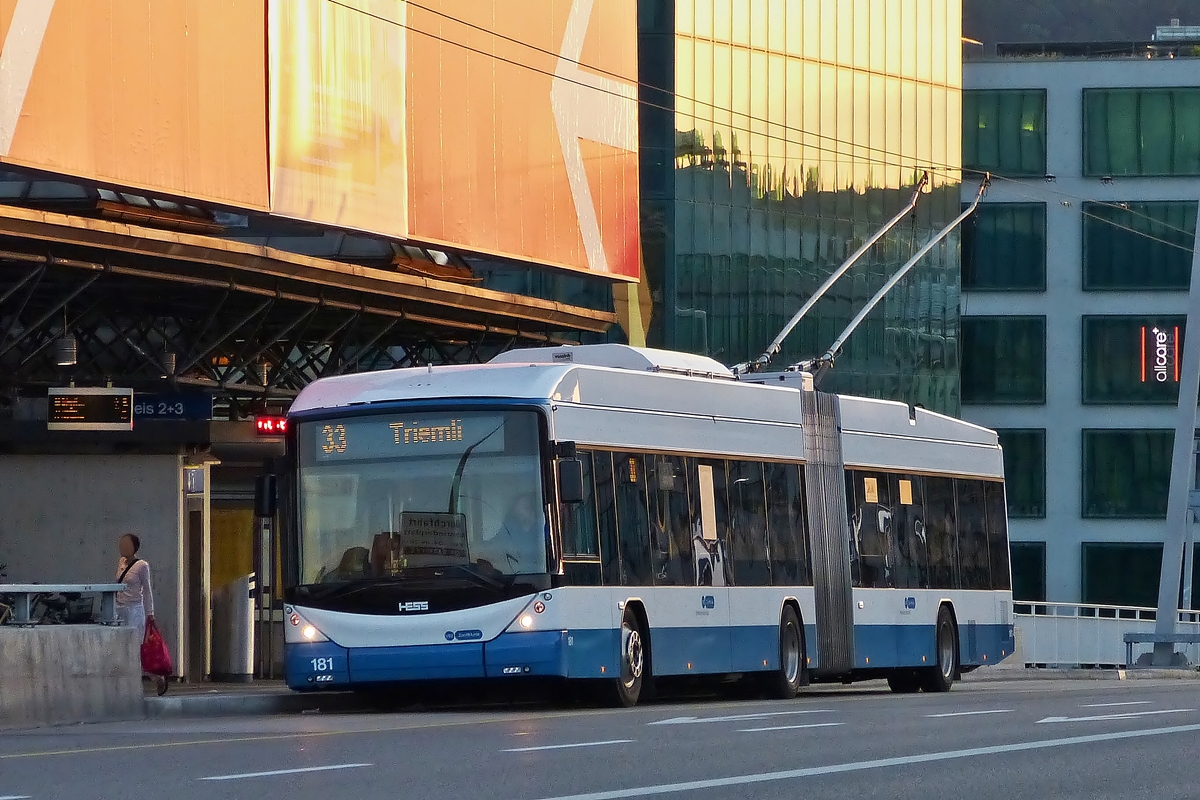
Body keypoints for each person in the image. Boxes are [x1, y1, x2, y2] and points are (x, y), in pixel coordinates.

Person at [116, 534, 167, 696]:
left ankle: (156, 678)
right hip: (120, 609)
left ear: (134, 547)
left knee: (136, 648)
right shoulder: (121, 562)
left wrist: (150, 613)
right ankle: (129, 683)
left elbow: (147, 590)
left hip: (135, 610)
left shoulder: (142, 565)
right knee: (122, 648)